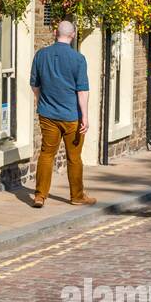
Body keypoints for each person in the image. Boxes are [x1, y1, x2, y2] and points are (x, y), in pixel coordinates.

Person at [30, 20, 95, 209]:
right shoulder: (78, 59)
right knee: (74, 157)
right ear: (73, 35)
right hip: (71, 117)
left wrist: (41, 101)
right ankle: (77, 196)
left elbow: (35, 85)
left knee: (46, 154)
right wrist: (85, 117)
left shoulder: (41, 55)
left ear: (54, 33)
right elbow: (82, 91)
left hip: (47, 115)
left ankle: (40, 196)